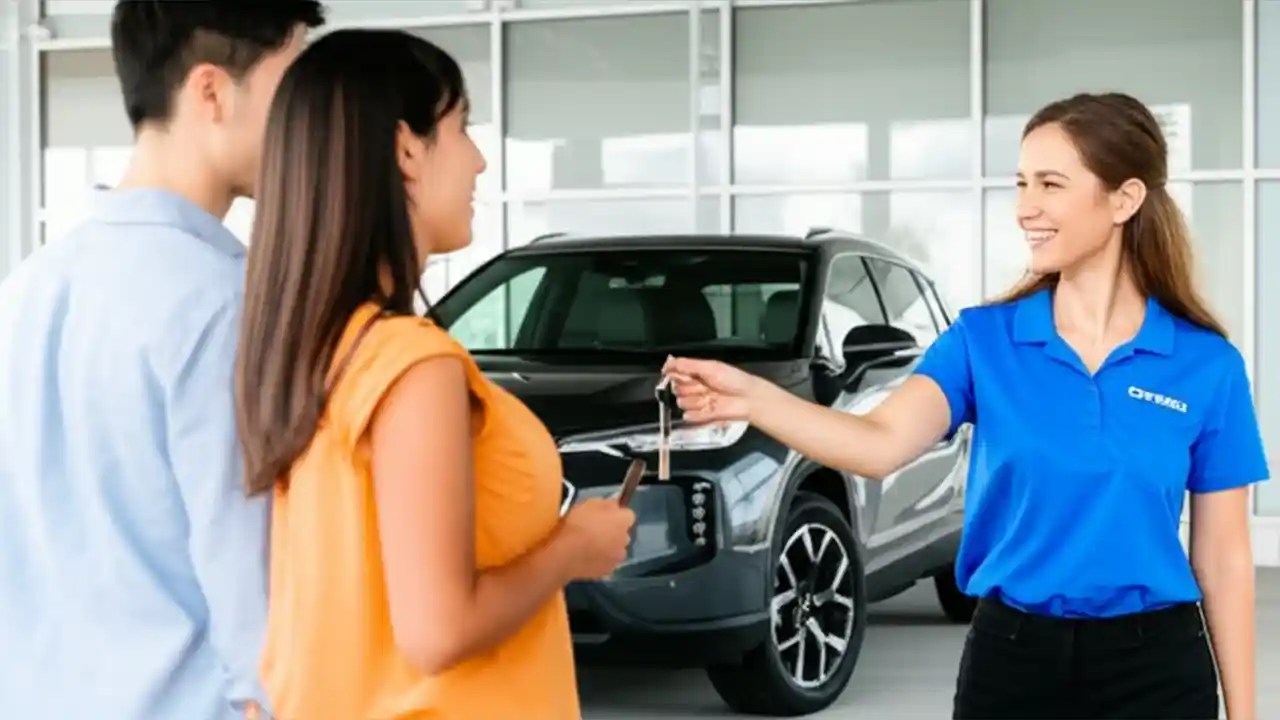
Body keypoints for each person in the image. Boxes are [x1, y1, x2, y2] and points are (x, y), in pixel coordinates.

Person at [664, 92, 1267, 720]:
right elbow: (878, 444)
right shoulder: (982, 342)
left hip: (1158, 667)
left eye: (1051, 184)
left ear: (1124, 199)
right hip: (1013, 659)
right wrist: (754, 397)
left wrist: (1244, 713)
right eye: (1021, 183)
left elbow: (1222, 557)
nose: (1025, 208)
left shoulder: (1206, 366)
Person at [232, 29, 636, 720]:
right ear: (405, 149)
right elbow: (438, 630)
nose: (479, 160)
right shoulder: (413, 365)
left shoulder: (313, 353)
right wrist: (574, 548)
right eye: (463, 126)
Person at [0, 2, 324, 718]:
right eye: (292, 86)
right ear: (211, 91)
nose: (310, 120)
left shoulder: (25, 289)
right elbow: (257, 599)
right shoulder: (224, 304)